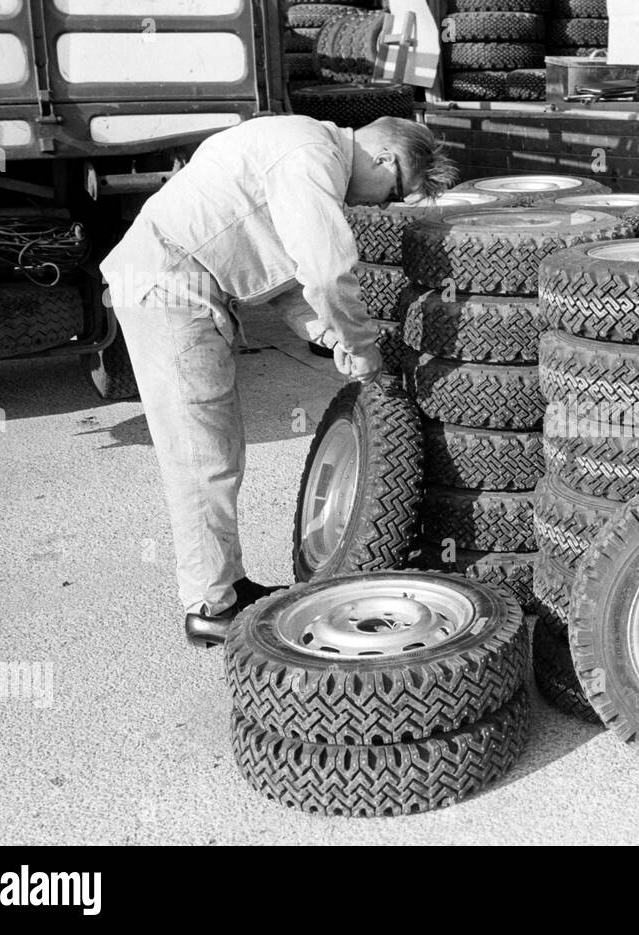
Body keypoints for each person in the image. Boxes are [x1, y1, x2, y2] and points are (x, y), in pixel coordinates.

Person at [100, 114, 457, 648]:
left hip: (178, 273)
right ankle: (208, 607)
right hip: (168, 283)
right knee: (200, 455)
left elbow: (283, 280)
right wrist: (361, 346)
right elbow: (326, 273)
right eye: (394, 191)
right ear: (386, 158)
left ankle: (228, 586)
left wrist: (336, 338)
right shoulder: (311, 158)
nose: (384, 205)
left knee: (217, 448)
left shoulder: (301, 142)